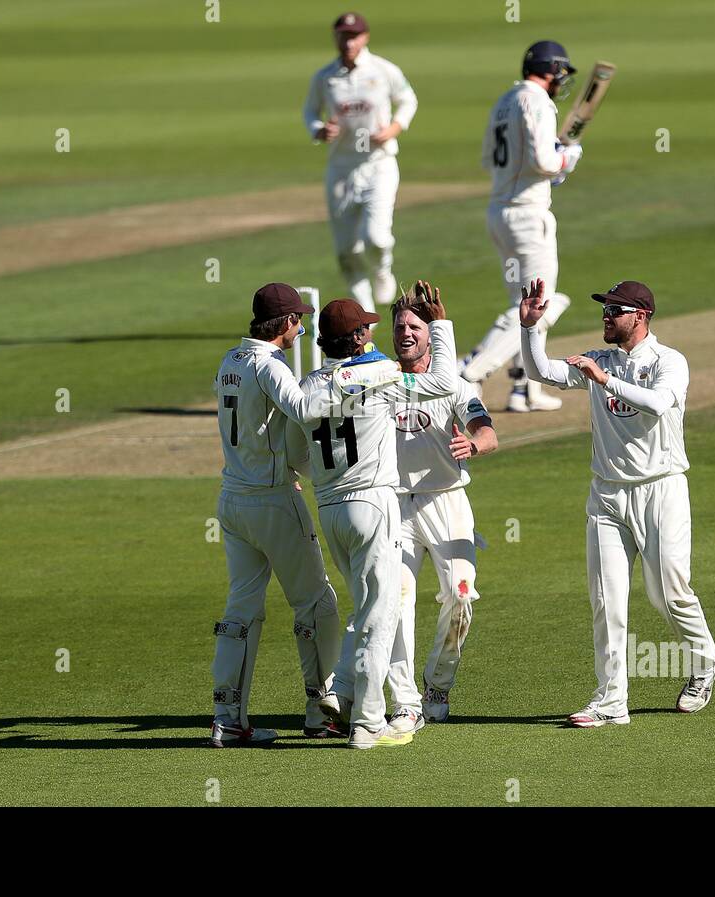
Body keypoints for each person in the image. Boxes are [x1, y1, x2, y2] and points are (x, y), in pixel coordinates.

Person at [518, 277, 715, 727]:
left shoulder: (668, 361)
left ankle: (705, 659)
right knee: (606, 599)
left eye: (616, 309)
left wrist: (605, 379)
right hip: (607, 494)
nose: (606, 316)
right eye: (605, 308)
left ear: (642, 316)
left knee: (668, 592)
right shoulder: (599, 359)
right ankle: (611, 699)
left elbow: (657, 403)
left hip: (662, 488)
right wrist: (532, 328)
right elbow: (542, 373)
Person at [287, 282, 456, 748]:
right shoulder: (381, 373)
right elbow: (441, 382)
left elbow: (295, 455)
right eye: (367, 328)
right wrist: (440, 325)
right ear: (359, 338)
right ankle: (368, 722)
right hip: (374, 503)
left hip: (329, 508)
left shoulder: (308, 386)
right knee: (381, 614)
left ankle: (340, 691)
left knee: (366, 606)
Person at [209, 283, 342, 748]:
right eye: (299, 320)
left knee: (241, 610)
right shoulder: (268, 366)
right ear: (285, 324)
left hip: (232, 499)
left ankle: (227, 718)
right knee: (317, 604)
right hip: (271, 500)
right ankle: (320, 709)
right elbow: (304, 408)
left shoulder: (230, 361)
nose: (303, 327)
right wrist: (350, 380)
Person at [384, 294, 497, 731]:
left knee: (462, 596)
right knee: (395, 600)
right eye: (400, 326)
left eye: (415, 326)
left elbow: (485, 430)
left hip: (447, 500)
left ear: (432, 335)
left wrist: (475, 444)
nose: (406, 333)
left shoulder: (453, 384)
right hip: (394, 504)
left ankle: (437, 683)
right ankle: (405, 700)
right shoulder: (382, 379)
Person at [461, 40, 583, 413]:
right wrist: (567, 159)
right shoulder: (538, 102)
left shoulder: (504, 101)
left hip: (499, 212)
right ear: (552, 71)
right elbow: (546, 161)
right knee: (538, 306)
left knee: (523, 303)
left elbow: (491, 159)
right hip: (528, 216)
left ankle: (523, 389)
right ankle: (470, 371)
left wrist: (546, 173)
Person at [302, 11, 418, 312]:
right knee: (346, 250)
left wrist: (394, 127)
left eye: (353, 36)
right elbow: (310, 112)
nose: (348, 41)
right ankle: (366, 311)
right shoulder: (326, 77)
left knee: (376, 237)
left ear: (365, 37)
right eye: (342, 35)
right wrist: (319, 129)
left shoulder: (382, 70)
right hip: (341, 168)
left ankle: (382, 270)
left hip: (378, 162)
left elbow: (408, 99)